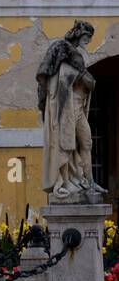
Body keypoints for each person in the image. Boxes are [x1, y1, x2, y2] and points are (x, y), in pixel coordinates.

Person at [36, 20, 106, 200]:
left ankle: (88, 181)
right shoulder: (65, 56)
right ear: (78, 34)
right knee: (67, 145)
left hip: (79, 109)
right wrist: (84, 77)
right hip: (67, 109)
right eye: (86, 36)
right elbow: (61, 85)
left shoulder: (78, 58)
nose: (88, 41)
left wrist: (86, 78)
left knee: (87, 142)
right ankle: (67, 179)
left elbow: (88, 83)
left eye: (90, 37)